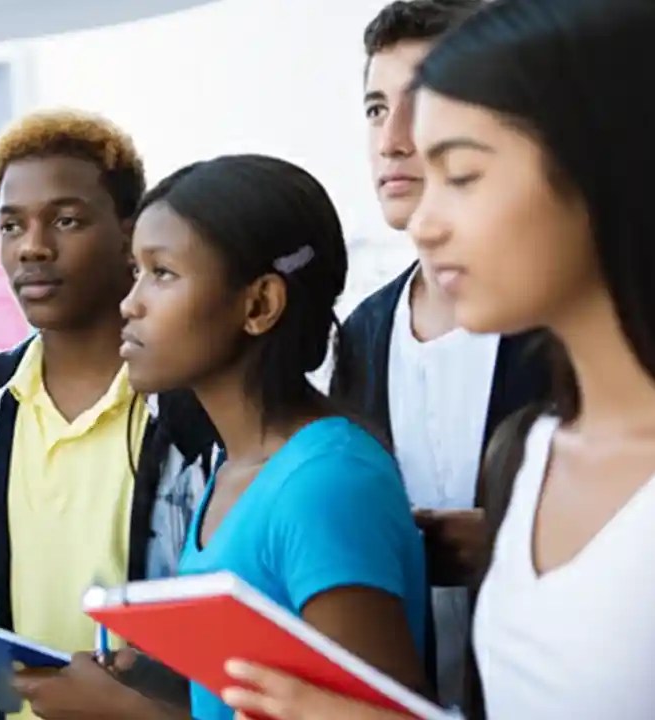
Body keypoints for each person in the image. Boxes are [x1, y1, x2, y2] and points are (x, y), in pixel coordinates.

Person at [221, 0, 655, 716]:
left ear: (595, 167)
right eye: (376, 110)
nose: (424, 220)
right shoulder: (533, 451)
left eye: (463, 173)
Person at [0, 110, 217, 720]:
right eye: (11, 225)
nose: (33, 246)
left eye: (66, 220)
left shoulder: (187, 402)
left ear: (131, 234)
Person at [122, 154, 429, 720]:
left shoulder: (327, 482)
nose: (130, 303)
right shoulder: (232, 471)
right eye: (136, 272)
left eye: (162, 273)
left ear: (259, 304)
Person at [331, 0, 549, 707]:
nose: (392, 139)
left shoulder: (570, 319)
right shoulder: (361, 333)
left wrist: (509, 545)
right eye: (373, 108)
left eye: (421, 101)